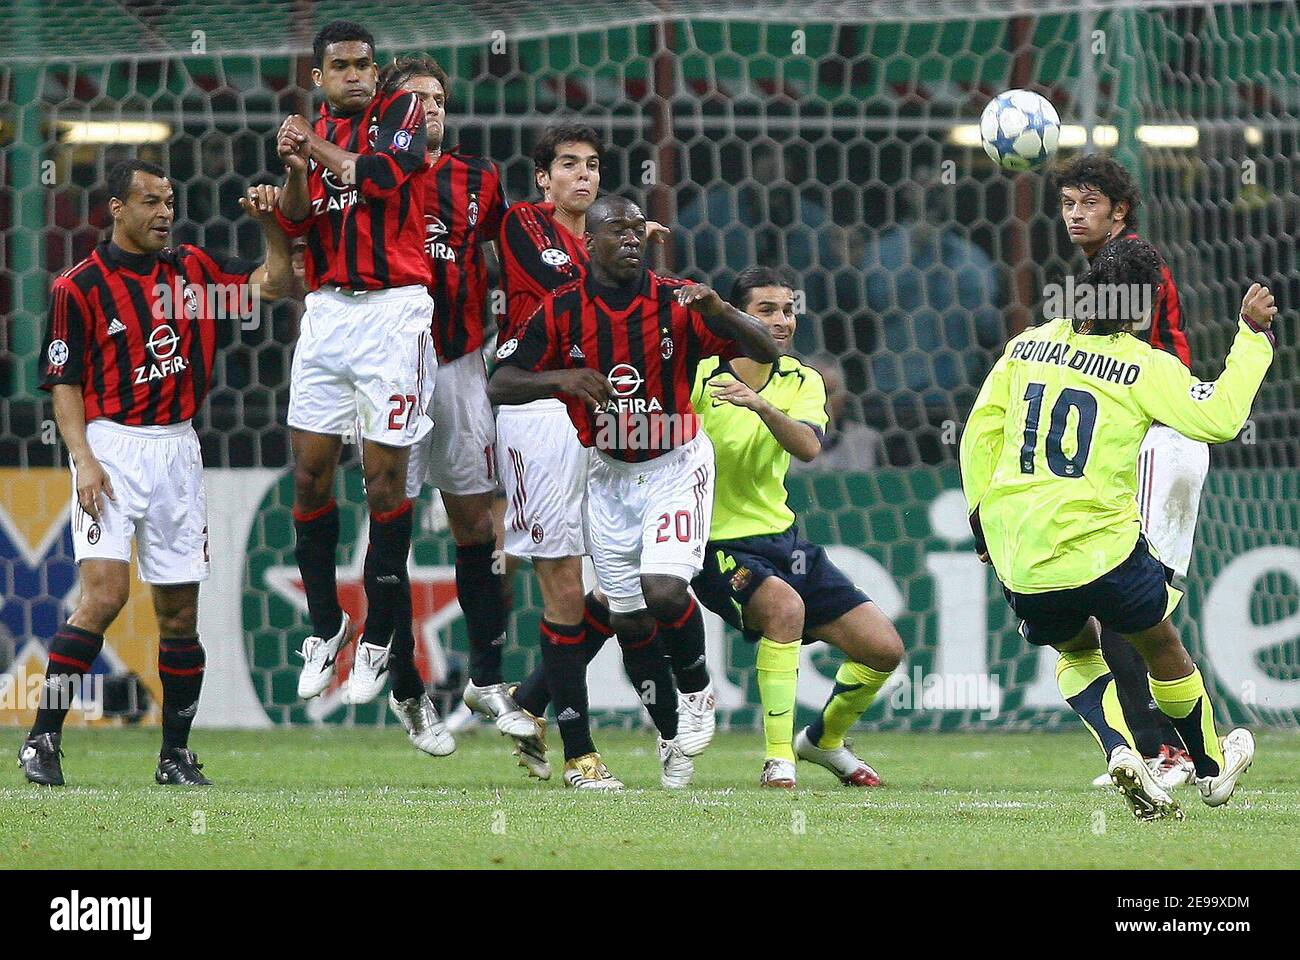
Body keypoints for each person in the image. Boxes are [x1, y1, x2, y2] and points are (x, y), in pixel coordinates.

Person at [959, 236, 1274, 820]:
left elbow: (980, 433)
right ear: (1144, 306)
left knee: (1076, 649)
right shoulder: (1146, 367)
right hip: (1102, 546)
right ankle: (1209, 769)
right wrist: (1251, 338)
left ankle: (1119, 750)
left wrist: (980, 518)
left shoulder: (1027, 346)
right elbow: (1222, 419)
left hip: (1020, 547)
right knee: (1160, 643)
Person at [490, 195, 780, 788]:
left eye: (634, 230)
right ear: (588, 244)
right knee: (628, 621)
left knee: (665, 589)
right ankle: (671, 736)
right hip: (608, 475)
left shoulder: (678, 300)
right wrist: (560, 376)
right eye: (614, 231)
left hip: (675, 463)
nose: (628, 239)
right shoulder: (561, 309)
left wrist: (722, 309)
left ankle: (698, 691)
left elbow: (768, 352)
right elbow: (499, 382)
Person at [20, 160, 293, 786]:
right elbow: (62, 382)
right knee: (105, 595)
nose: (164, 212)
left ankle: (173, 755)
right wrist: (83, 458)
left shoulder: (194, 273)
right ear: (117, 208)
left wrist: (273, 225)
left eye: (169, 200)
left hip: (177, 450)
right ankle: (41, 740)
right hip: (111, 447)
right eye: (150, 201)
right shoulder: (79, 286)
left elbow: (271, 285)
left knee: (179, 616)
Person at [492, 126, 710, 789]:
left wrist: (641, 257)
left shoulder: (620, 245)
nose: (581, 177)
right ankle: (579, 754)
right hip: (542, 412)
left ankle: (539, 700)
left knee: (627, 603)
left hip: (615, 428)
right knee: (562, 589)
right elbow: (583, 281)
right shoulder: (526, 226)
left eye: (592, 166)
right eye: (567, 165)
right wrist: (635, 252)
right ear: (543, 178)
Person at [343, 56, 540, 753]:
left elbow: (511, 255)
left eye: (437, 99)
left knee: (476, 522)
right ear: (389, 112)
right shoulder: (366, 175)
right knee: (390, 519)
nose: (427, 110)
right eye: (414, 100)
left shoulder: (476, 177)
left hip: (457, 364)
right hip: (387, 364)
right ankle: (405, 688)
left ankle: (486, 676)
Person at [273, 21, 448, 757]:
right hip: (328, 313)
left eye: (363, 64)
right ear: (319, 75)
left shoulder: (402, 114)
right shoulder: (313, 134)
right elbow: (297, 220)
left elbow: (375, 180)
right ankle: (324, 628)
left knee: (383, 481)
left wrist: (307, 145)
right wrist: (288, 167)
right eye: (340, 66)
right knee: (310, 474)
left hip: (394, 312)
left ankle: (379, 635)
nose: (354, 75)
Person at [690, 267, 903, 787]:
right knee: (784, 609)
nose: (781, 321)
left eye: (788, 310)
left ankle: (824, 741)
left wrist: (760, 405)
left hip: (782, 539)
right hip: (713, 541)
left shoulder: (801, 379)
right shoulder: (696, 374)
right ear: (736, 317)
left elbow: (808, 447)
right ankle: (777, 759)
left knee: (883, 649)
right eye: (766, 310)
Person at [1057, 153, 1201, 790]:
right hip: (1165, 436)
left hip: (1160, 436)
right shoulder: (1112, 264)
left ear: (1119, 211)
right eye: (1067, 203)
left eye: (1088, 203)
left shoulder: (1127, 265)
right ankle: (1169, 746)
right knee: (1137, 601)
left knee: (1124, 600)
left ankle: (1162, 750)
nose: (1075, 215)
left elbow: (1111, 352)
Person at [788, 353, 884, 474]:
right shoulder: (782, 438)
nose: (822, 400)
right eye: (813, 392)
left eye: (829, 392)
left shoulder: (864, 439)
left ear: (844, 396)